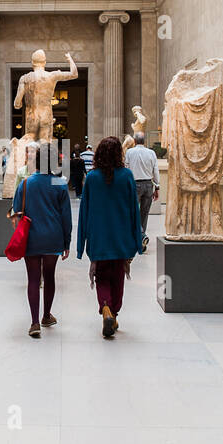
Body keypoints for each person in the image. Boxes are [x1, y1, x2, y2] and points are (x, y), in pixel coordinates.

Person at [76, 136, 142, 338]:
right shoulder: (127, 176)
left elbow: (84, 212)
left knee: (102, 277)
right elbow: (134, 210)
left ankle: (105, 309)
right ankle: (113, 312)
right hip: (121, 237)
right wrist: (137, 241)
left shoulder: (93, 177)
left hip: (99, 238)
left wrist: (81, 245)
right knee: (118, 278)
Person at [12, 142, 72, 338]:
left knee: (33, 278)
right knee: (50, 276)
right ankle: (46, 315)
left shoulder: (26, 183)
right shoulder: (59, 183)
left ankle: (34, 322)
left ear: (36, 161)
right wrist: (66, 242)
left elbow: (16, 210)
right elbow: (66, 217)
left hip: (31, 237)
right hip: (53, 237)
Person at [124, 131, 160, 252]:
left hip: (134, 184)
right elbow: (156, 170)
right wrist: (157, 187)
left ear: (135, 141)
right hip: (149, 184)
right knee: (144, 213)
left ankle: (141, 236)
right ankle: (141, 241)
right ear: (144, 141)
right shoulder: (151, 153)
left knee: (132, 212)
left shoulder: (129, 152)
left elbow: (127, 168)